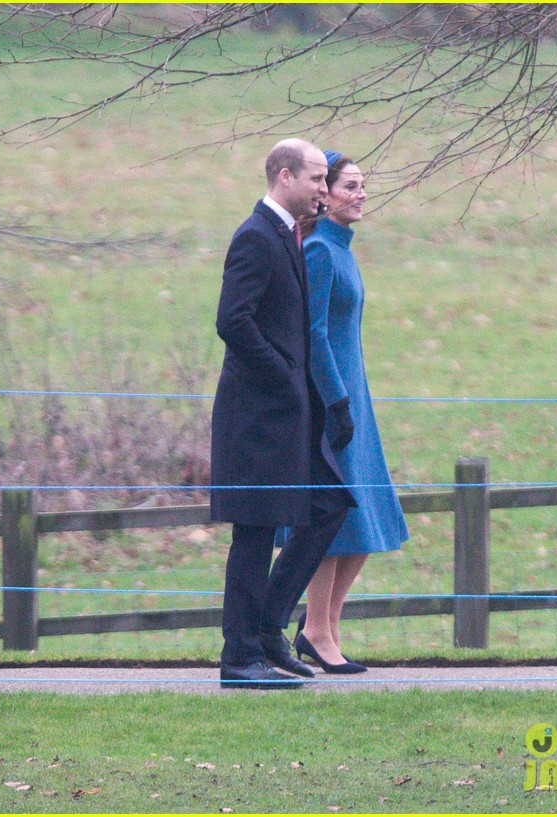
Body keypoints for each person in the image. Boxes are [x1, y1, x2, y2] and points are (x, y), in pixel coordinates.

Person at [210, 137, 355, 690]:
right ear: (285, 176)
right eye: (318, 179)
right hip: (258, 419)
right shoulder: (254, 238)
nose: (324, 189)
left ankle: (269, 629)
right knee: (254, 532)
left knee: (327, 505)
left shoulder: (289, 235)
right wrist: (286, 382)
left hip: (290, 416)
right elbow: (233, 322)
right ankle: (239, 658)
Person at [284, 150, 409, 673]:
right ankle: (315, 628)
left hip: (355, 399)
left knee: (365, 512)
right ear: (325, 193)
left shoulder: (342, 249)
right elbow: (312, 334)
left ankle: (325, 629)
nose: (361, 195)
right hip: (330, 403)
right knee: (332, 516)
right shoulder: (317, 250)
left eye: (363, 187)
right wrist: (335, 401)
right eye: (351, 186)